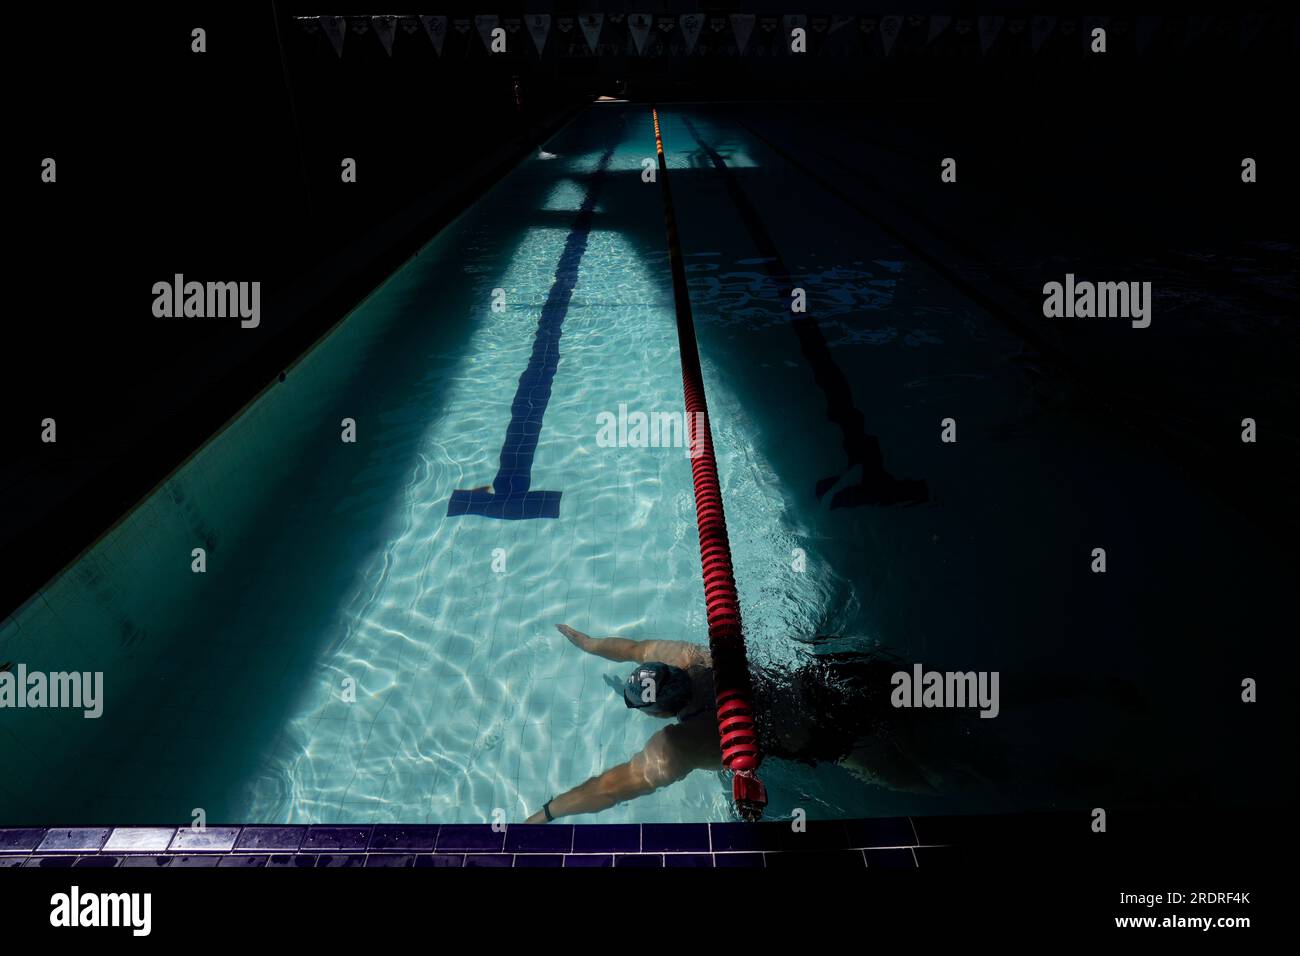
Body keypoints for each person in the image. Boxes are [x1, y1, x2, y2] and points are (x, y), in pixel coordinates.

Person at [524, 624, 959, 823]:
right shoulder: (688, 658)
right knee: (956, 693)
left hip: (836, 740)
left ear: (657, 713)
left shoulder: (678, 745)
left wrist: (548, 811)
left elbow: (609, 788)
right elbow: (635, 649)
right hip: (830, 677)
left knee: (930, 783)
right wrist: (590, 643)